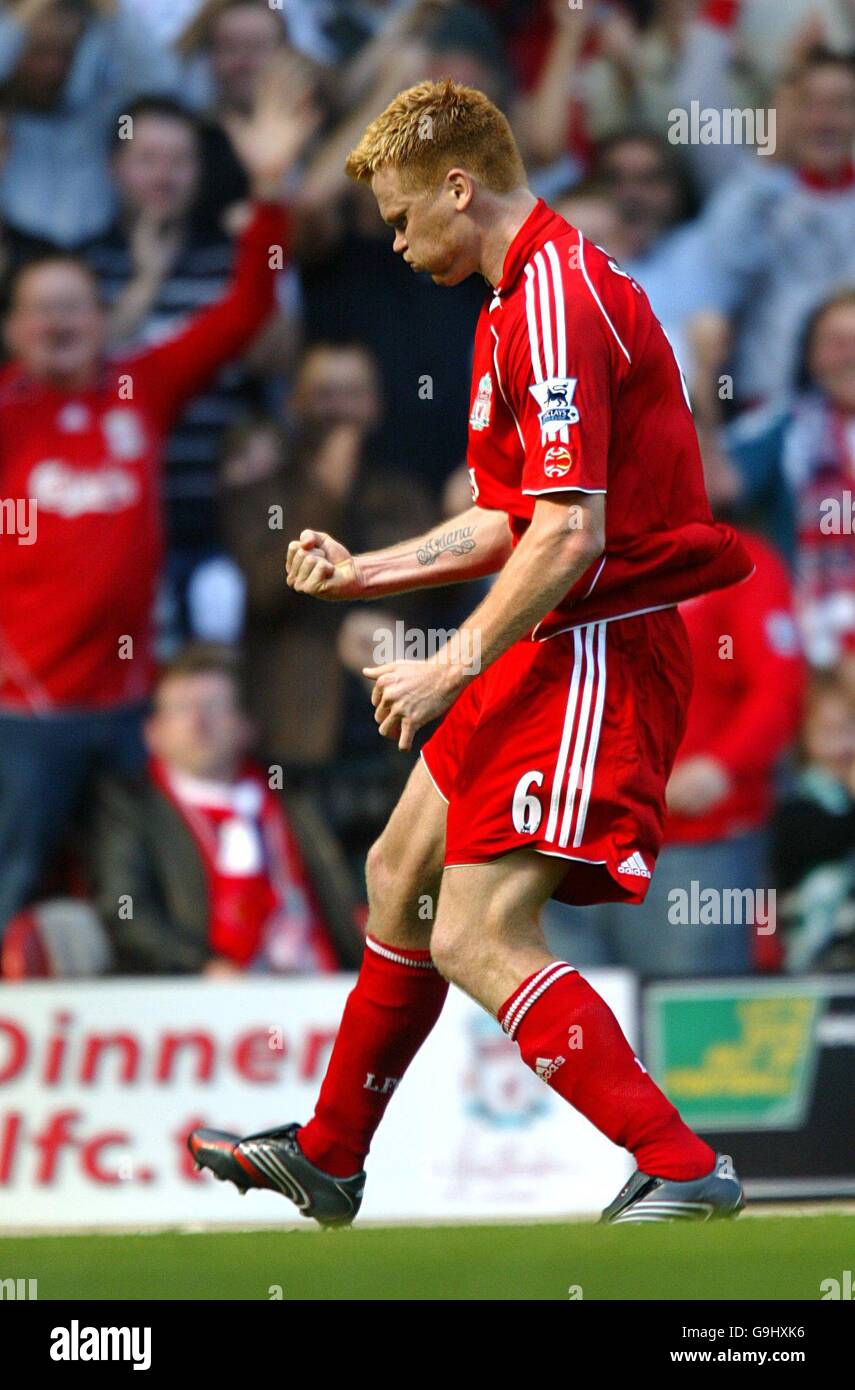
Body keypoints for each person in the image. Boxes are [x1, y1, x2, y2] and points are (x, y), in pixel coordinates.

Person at [189, 78, 751, 1227]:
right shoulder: (516, 304)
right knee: (401, 870)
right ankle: (334, 1152)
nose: (395, 244)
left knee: (478, 930)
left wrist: (450, 665)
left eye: (403, 218)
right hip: (549, 637)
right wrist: (368, 571)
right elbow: (514, 515)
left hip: (597, 646)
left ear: (460, 186)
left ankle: (683, 1166)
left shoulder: (554, 298)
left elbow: (570, 530)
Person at [0, 80, 313, 937]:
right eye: (41, 310)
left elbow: (246, 308)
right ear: (16, 328)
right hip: (21, 713)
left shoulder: (141, 388)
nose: (59, 322)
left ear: (104, 320)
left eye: (74, 307)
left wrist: (271, 192)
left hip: (133, 703)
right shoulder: (4, 413)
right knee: (11, 881)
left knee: (136, 883)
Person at [92, 644, 362, 976]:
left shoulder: (295, 793)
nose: (197, 722)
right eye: (180, 709)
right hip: (199, 1004)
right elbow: (124, 910)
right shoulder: (130, 805)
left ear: (246, 725)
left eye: (214, 706)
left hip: (319, 986)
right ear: (153, 733)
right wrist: (203, 966)